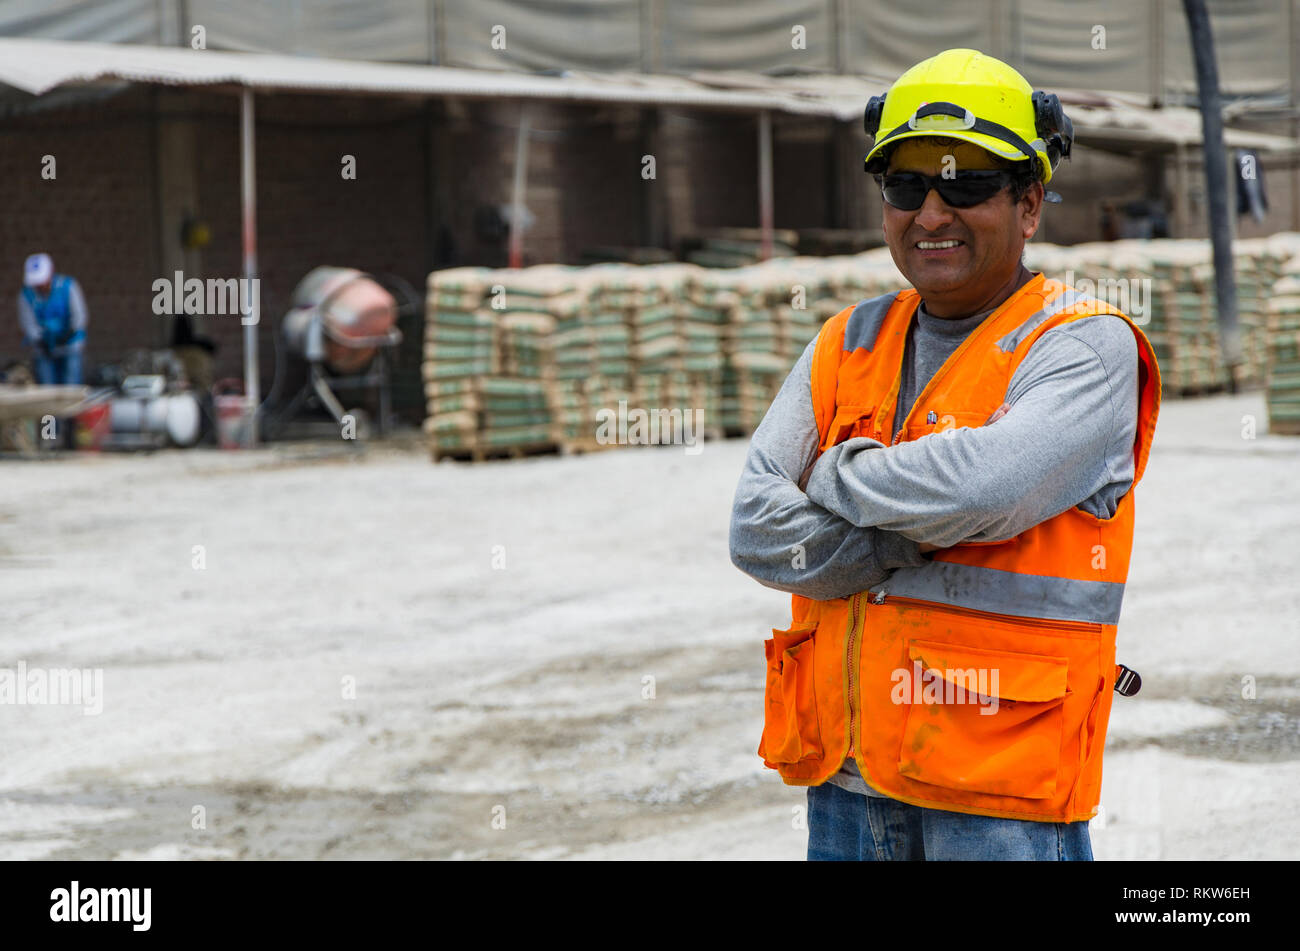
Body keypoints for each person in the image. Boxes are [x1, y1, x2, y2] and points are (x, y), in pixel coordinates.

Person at [729, 48, 1162, 861]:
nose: (931, 212)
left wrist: (830, 474)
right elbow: (755, 525)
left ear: (1030, 204)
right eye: (906, 185)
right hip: (846, 784)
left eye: (965, 184)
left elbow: (984, 487)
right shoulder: (846, 341)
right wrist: (904, 536)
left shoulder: (1082, 347)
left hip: (1000, 798)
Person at [18, 252, 88, 386]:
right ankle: (50, 408)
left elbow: (80, 315)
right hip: (44, 349)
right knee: (47, 386)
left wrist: (68, 334)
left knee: (71, 385)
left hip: (70, 345)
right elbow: (28, 323)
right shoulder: (27, 295)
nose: (39, 285)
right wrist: (40, 340)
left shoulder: (68, 286)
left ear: (51, 272)